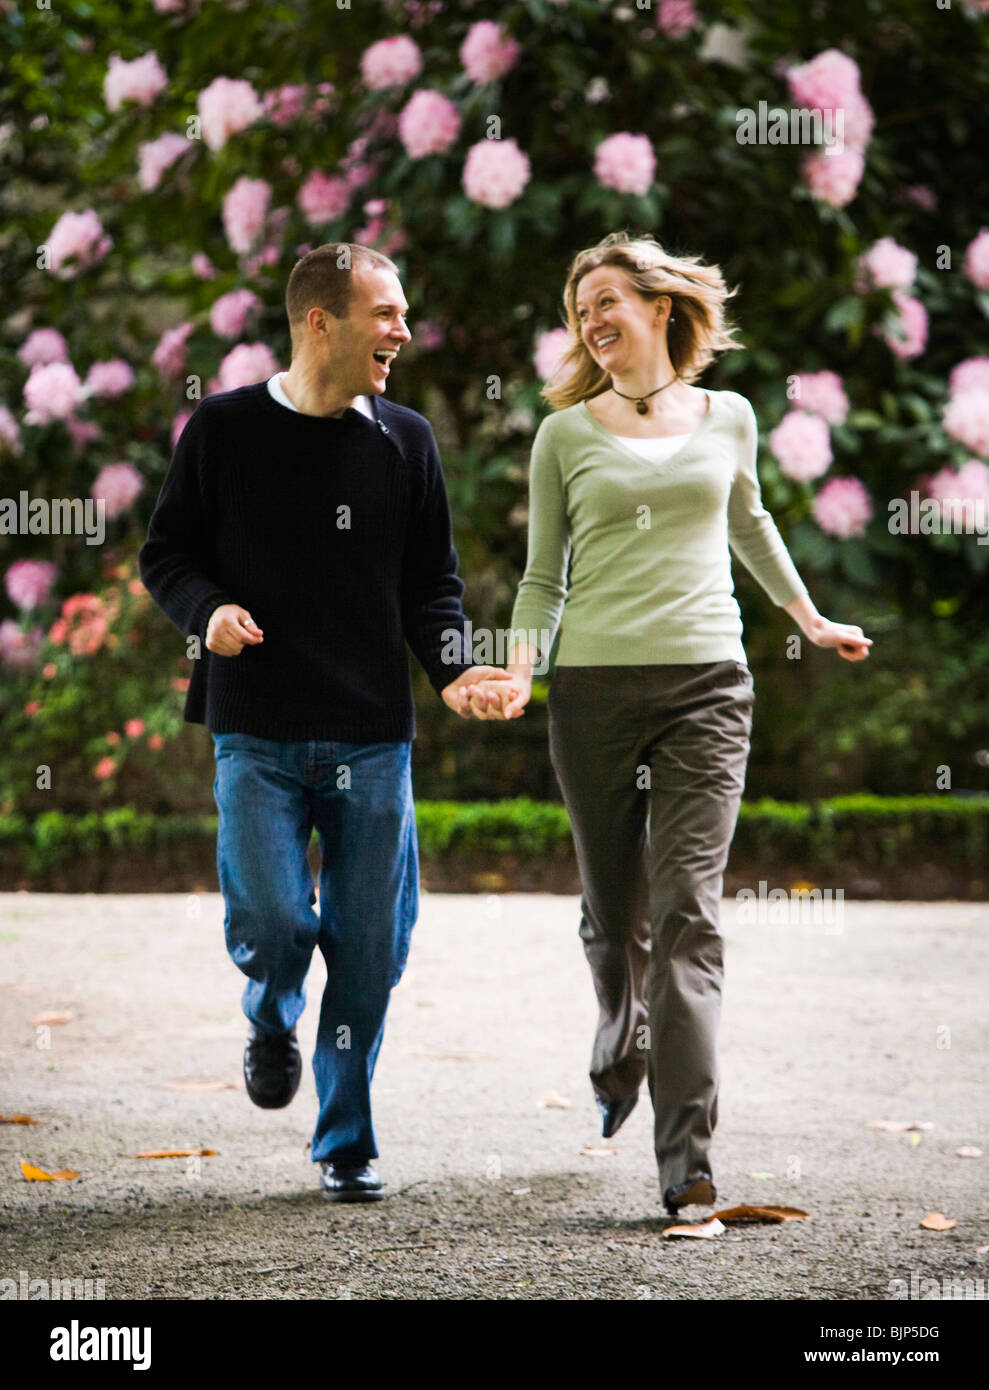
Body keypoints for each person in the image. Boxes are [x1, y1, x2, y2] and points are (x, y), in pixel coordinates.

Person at [462, 232, 872, 1217]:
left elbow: (750, 521)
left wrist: (806, 619)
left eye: (606, 299)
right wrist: (520, 668)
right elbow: (540, 575)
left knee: (688, 916)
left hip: (707, 686)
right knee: (615, 920)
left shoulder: (727, 416)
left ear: (656, 306)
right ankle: (619, 1036)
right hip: (594, 691)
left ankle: (684, 1160)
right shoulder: (563, 433)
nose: (592, 321)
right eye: (578, 310)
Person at [139, 242, 510, 1203]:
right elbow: (167, 553)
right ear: (320, 322)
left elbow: (432, 586)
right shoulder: (221, 429)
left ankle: (344, 1140)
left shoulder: (406, 441)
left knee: (370, 943)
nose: (403, 332)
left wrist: (456, 672)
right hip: (255, 726)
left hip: (369, 731)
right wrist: (206, 612)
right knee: (270, 919)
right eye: (385, 313)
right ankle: (270, 1013)